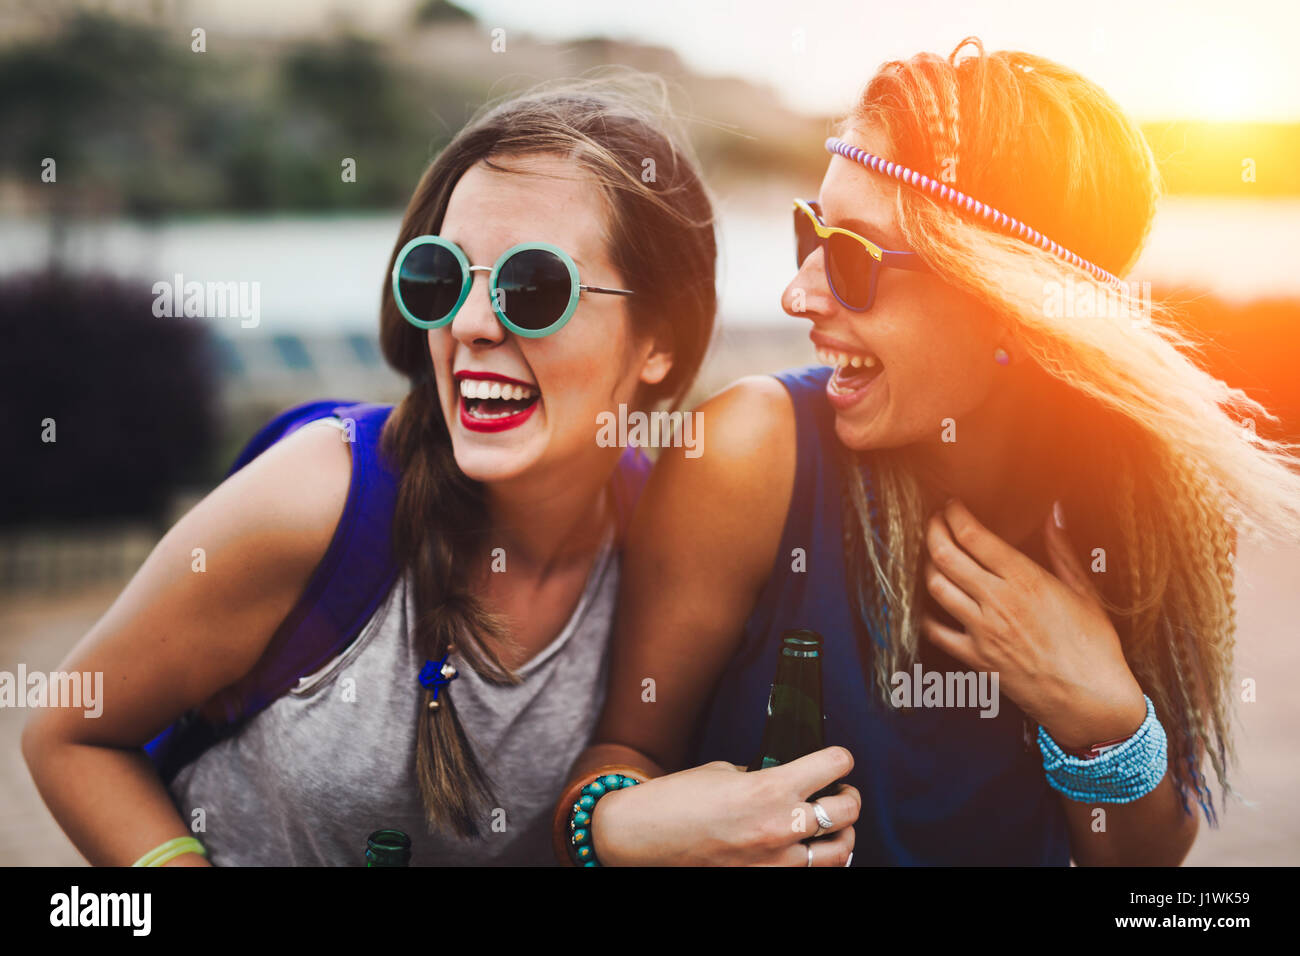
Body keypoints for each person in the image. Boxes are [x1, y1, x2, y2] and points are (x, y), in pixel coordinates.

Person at [555, 38, 1300, 866]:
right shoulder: (752, 453)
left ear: (1013, 305)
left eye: (852, 258)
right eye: (812, 233)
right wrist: (632, 829)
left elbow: (1142, 866)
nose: (797, 293)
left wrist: (1101, 715)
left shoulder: (1158, 505)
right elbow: (621, 757)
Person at [22, 76, 717, 866]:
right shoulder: (318, 499)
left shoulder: (670, 542)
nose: (469, 324)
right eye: (442, 277)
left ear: (659, 339)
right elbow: (69, 733)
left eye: (534, 285)